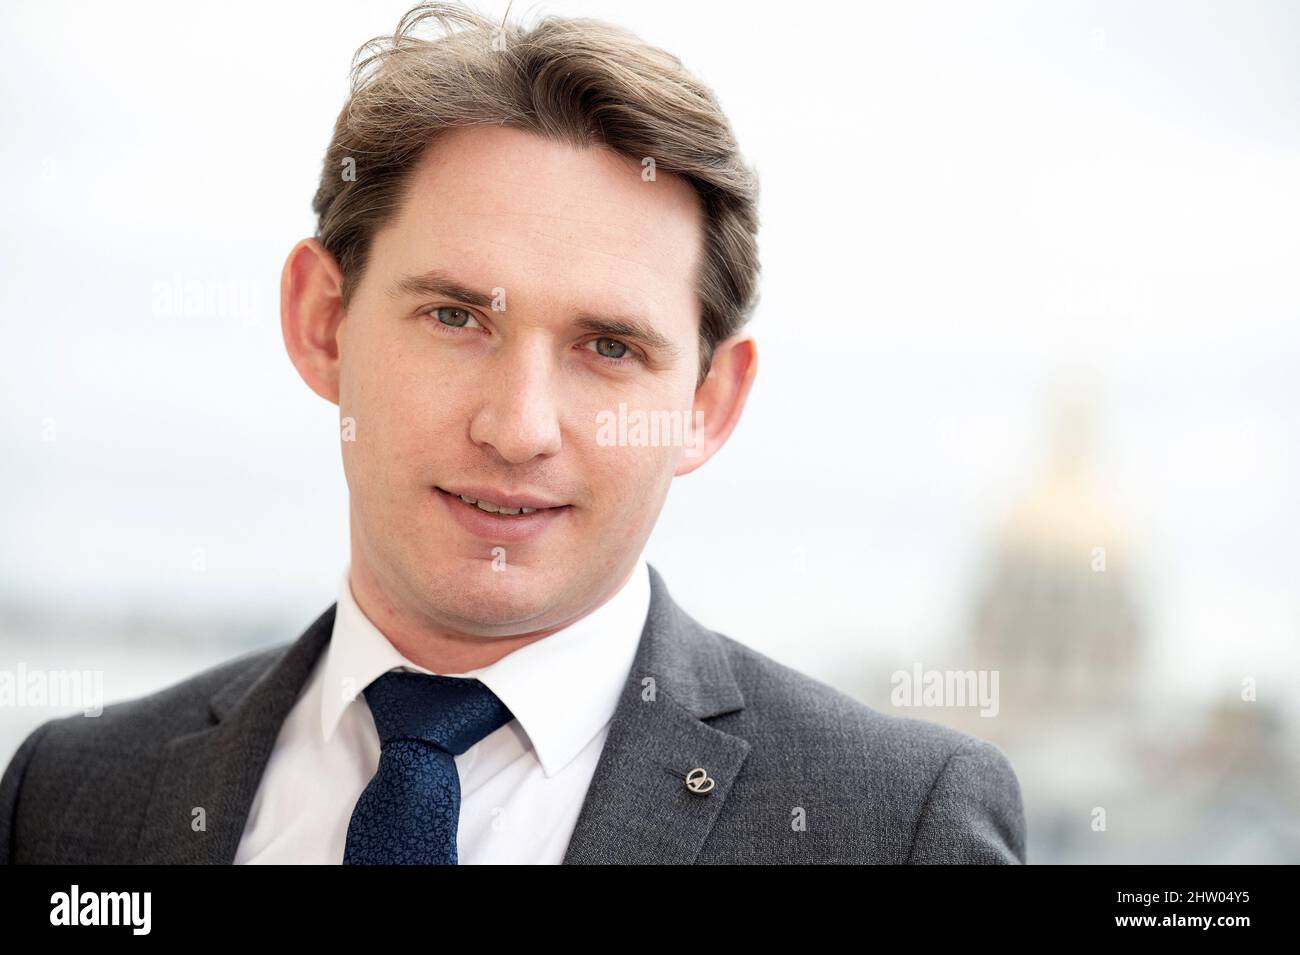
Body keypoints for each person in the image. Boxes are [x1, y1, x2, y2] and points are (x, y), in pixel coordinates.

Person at [0, 1, 1025, 864]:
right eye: (456, 318)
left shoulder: (893, 831)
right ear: (322, 322)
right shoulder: (69, 797)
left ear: (710, 402)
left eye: (610, 346)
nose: (518, 427)